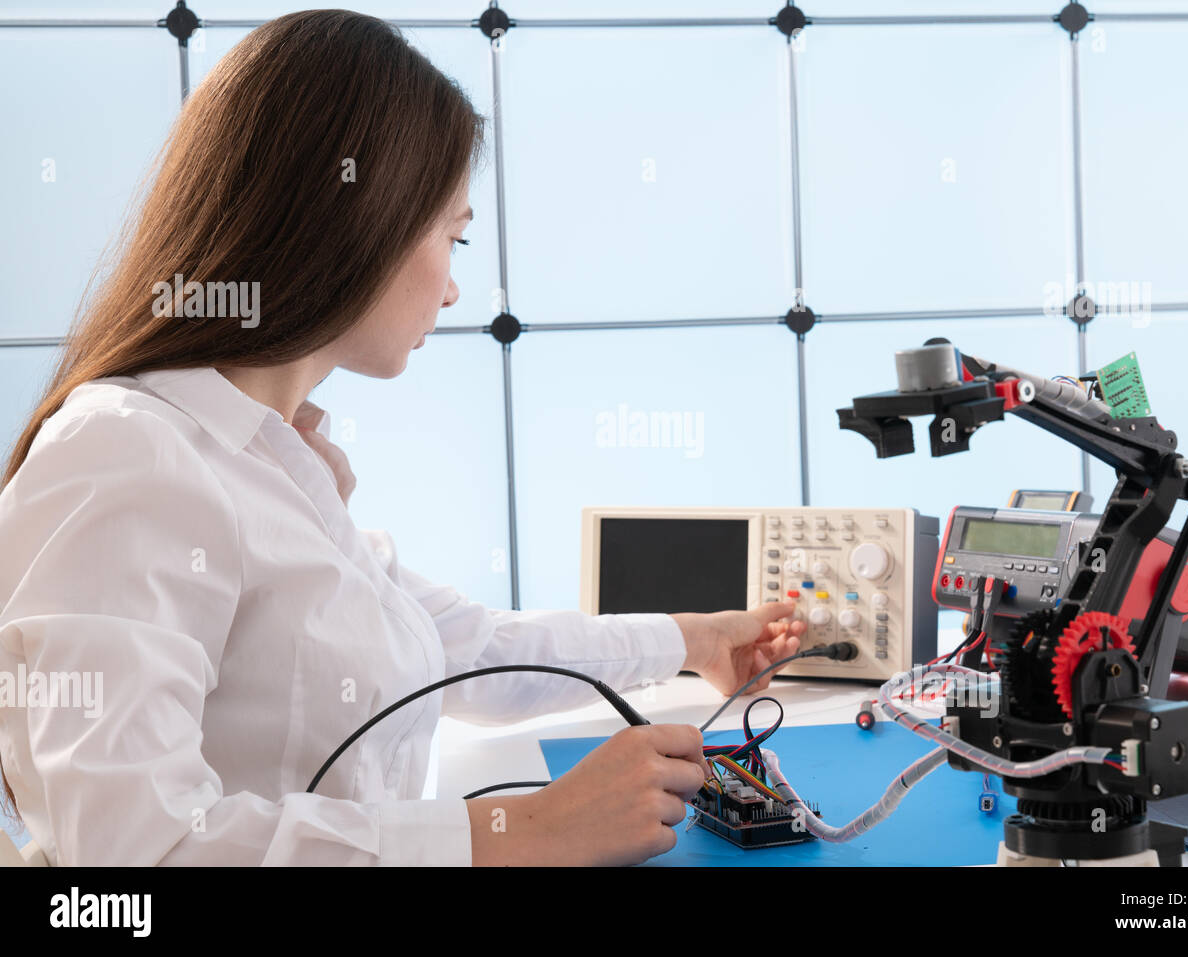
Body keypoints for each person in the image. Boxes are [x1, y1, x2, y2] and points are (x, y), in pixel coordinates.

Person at [0, 10, 805, 866]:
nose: (455, 290)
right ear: (357, 220)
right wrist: (520, 831)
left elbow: (468, 646)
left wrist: (696, 638)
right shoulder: (126, 454)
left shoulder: (279, 466)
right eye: (451, 238)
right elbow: (127, 861)